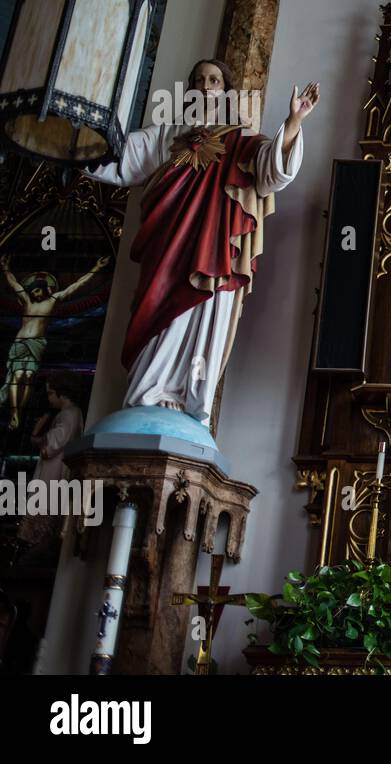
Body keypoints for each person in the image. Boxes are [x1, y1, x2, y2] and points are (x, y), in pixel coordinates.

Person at [86, 59, 318, 424]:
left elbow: (273, 173)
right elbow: (119, 158)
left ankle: (190, 402)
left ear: (225, 90)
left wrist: (293, 123)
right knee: (160, 310)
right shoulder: (166, 136)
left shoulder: (240, 140)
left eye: (214, 80)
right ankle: (149, 393)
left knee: (202, 317)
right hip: (168, 248)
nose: (206, 86)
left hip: (215, 252)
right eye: (198, 80)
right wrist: (72, 141)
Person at [1, 255, 107, 429]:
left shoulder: (52, 301)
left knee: (28, 377)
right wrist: (5, 268)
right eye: (32, 291)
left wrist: (96, 268)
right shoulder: (27, 302)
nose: (34, 294)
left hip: (36, 343)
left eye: (37, 290)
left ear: (45, 289)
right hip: (20, 342)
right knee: (17, 376)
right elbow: (14, 285)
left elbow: (75, 286)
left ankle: (18, 412)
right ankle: (15, 413)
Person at [16, 373, 83, 550]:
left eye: (50, 393)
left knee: (42, 523)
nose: (49, 398)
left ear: (61, 393)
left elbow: (51, 445)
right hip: (57, 473)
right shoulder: (72, 414)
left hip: (53, 475)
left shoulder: (68, 414)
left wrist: (35, 436)